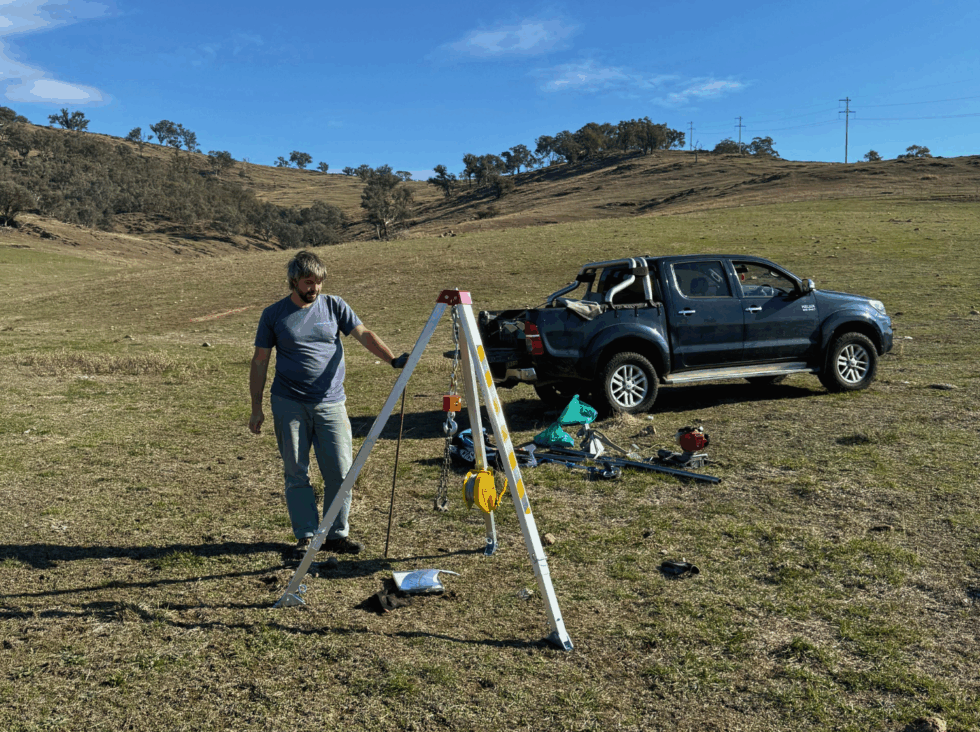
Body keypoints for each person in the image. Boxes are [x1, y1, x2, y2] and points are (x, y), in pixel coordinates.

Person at [249, 250, 408, 561]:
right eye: (309, 282)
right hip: (288, 402)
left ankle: (336, 534)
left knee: (340, 470)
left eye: (319, 282)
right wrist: (256, 408)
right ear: (293, 281)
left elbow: (363, 334)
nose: (315, 289)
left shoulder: (335, 306)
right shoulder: (274, 315)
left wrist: (392, 359)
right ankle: (306, 535)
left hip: (331, 403)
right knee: (296, 471)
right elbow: (260, 361)